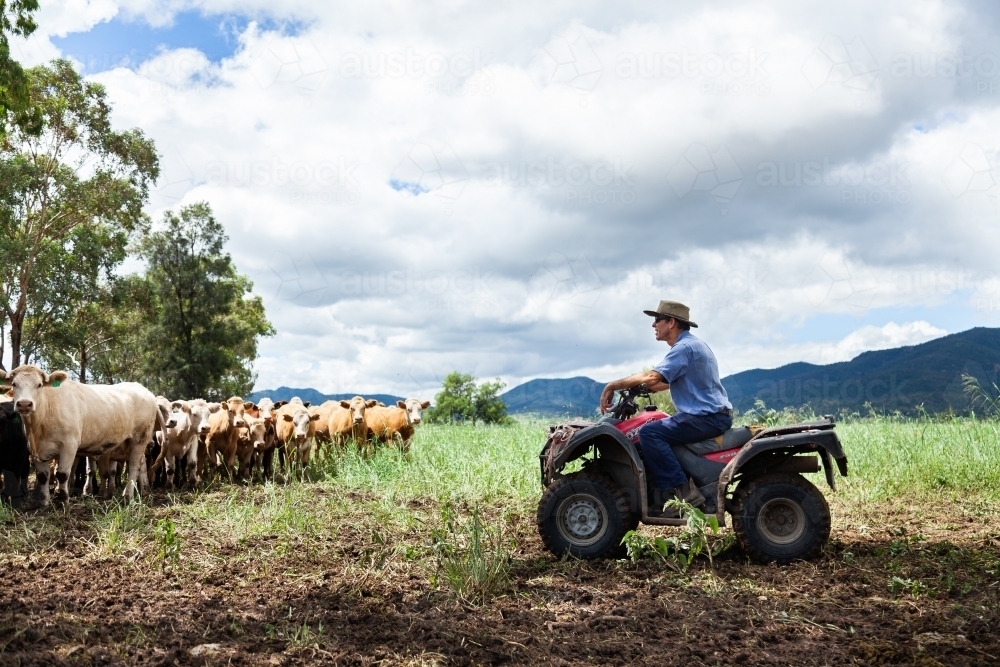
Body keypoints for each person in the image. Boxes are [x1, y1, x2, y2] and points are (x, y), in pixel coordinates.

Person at [599, 300, 732, 516]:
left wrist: (614, 385)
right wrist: (642, 388)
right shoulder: (693, 345)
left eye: (657, 320)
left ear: (671, 322)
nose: (653, 325)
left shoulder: (684, 348)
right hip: (712, 416)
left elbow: (653, 375)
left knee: (649, 432)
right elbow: (666, 381)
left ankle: (682, 493)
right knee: (655, 428)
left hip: (707, 418)